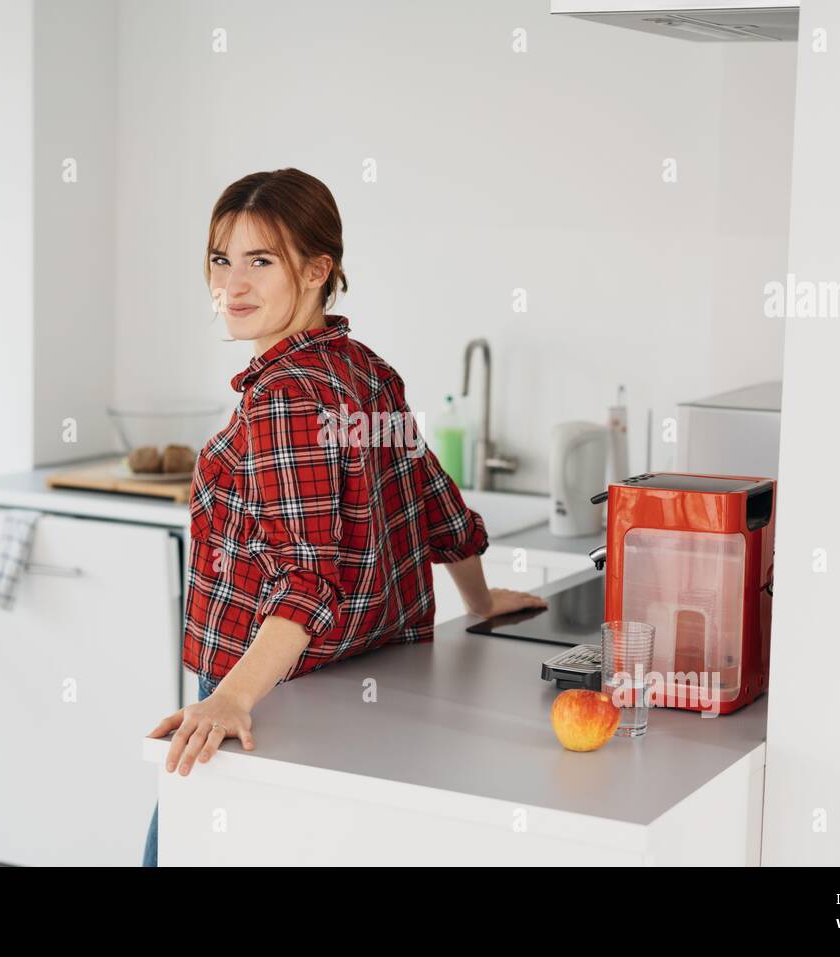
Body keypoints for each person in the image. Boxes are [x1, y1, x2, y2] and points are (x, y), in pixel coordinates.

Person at [142, 168, 546, 866]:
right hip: (365, 696)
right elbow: (435, 501)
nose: (231, 285)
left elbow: (306, 578)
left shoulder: (283, 398)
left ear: (316, 269)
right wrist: (481, 600)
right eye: (221, 259)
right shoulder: (365, 368)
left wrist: (229, 699)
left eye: (259, 260)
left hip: (265, 695)